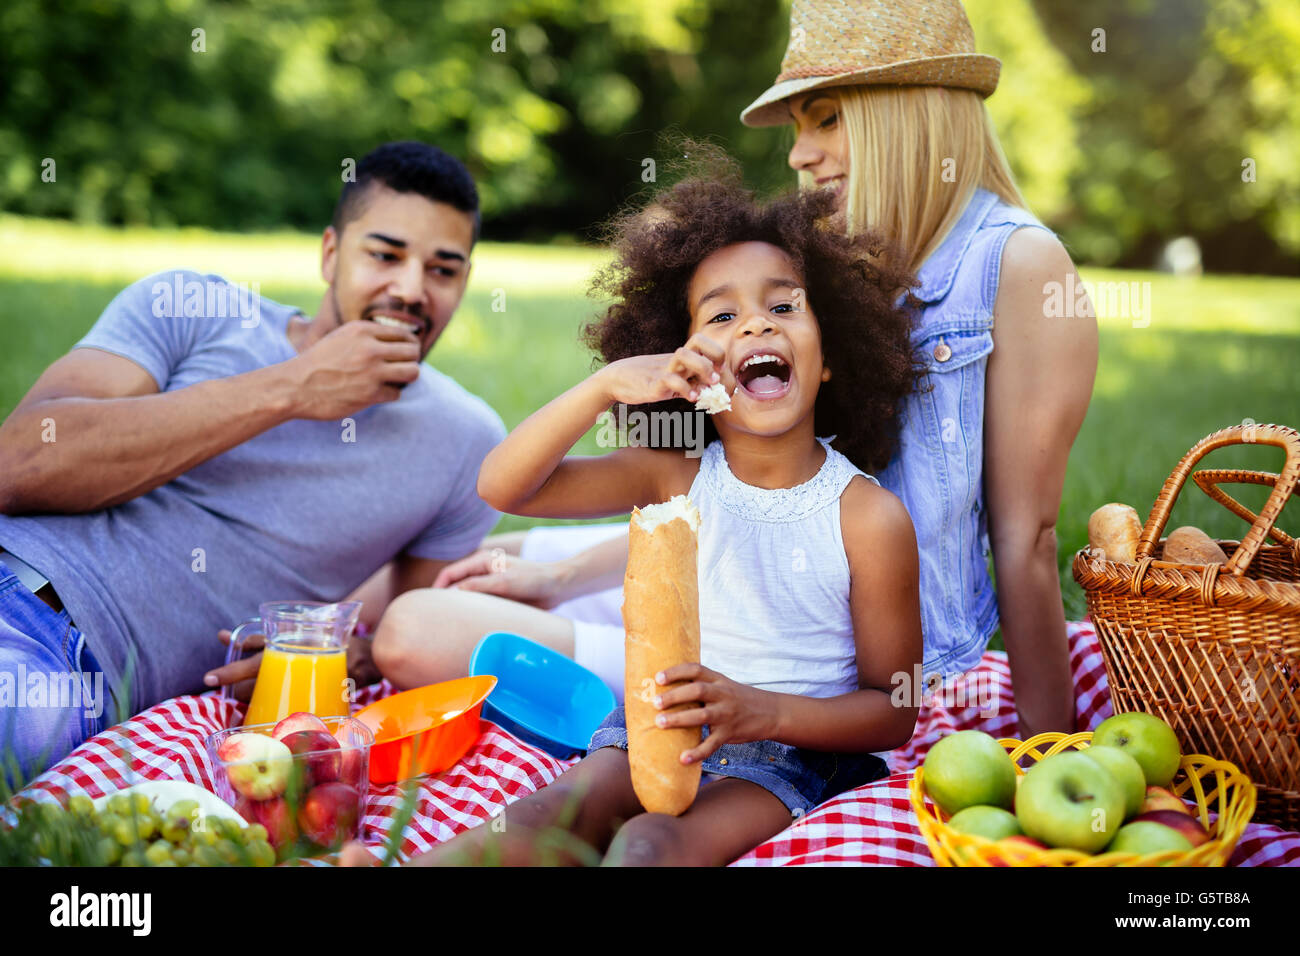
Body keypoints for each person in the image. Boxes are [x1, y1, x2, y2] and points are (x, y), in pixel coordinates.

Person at [372, 0, 1097, 743]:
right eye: (798, 130)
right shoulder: (838, 252)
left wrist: (1047, 747)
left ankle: (623, 702)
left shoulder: (1019, 267)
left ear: (908, 111)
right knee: (452, 563)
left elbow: (1026, 540)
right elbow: (746, 501)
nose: (797, 156)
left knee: (414, 626)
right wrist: (562, 577)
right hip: (719, 574)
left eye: (825, 119)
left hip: (793, 663)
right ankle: (302, 637)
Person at [350, 161, 923, 866]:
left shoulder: (870, 517)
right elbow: (505, 488)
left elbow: (895, 708)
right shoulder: (674, 473)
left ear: (831, 355)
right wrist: (603, 389)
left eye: (783, 307)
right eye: (721, 315)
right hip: (654, 728)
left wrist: (760, 710)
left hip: (794, 756)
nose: (753, 326)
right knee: (547, 813)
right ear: (686, 358)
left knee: (648, 845)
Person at [0, 141, 505, 782]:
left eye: (443, 269)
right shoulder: (191, 310)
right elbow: (18, 466)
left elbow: (403, 626)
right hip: (19, 588)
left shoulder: (466, 443)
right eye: (383, 254)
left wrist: (350, 653)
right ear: (330, 253)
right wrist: (294, 388)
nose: (409, 290)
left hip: (82, 685)